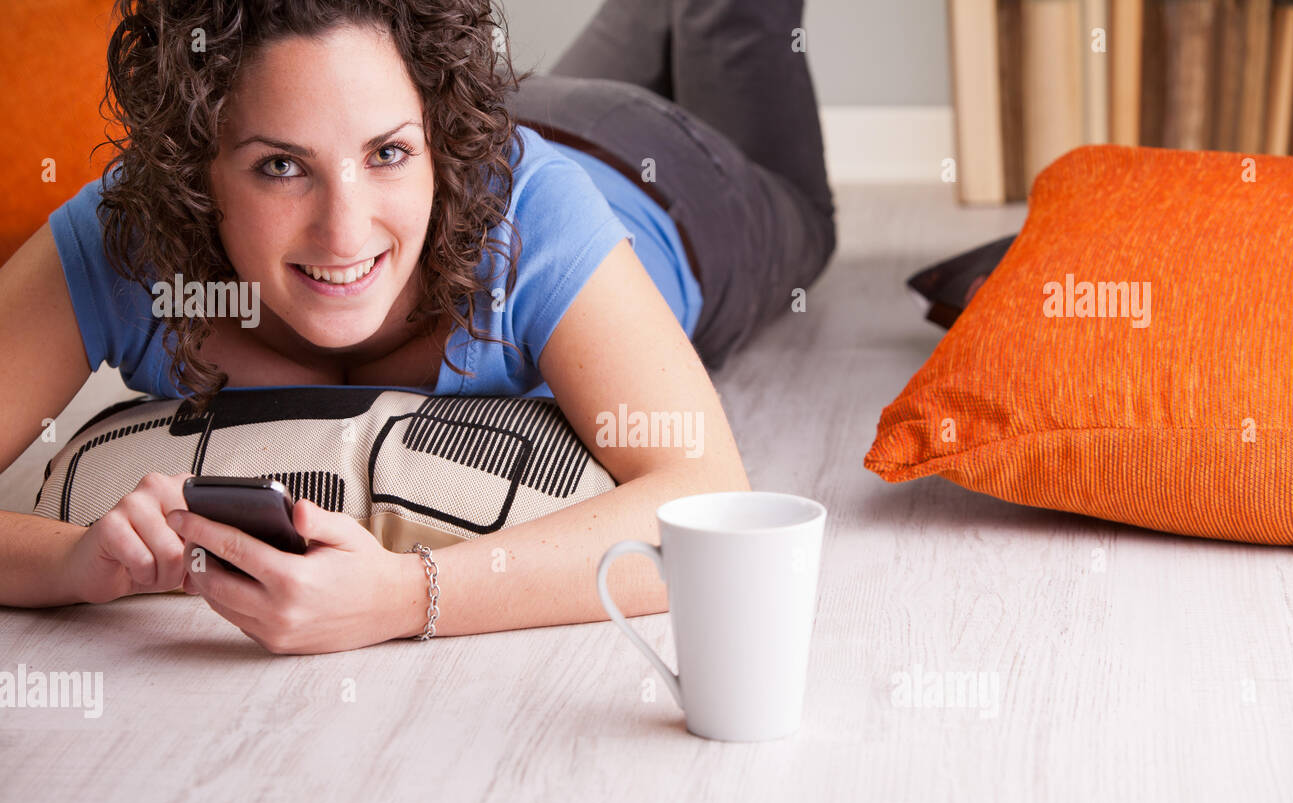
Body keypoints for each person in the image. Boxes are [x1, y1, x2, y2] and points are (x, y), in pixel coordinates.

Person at [0, 0, 836, 653]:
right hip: (490, 101)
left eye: (387, 157)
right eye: (280, 166)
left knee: (791, 169)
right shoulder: (130, 235)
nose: (345, 233)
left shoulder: (535, 217)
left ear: (436, 139)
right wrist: (69, 563)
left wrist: (405, 597)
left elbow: (709, 501)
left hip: (672, 181)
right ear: (194, 168)